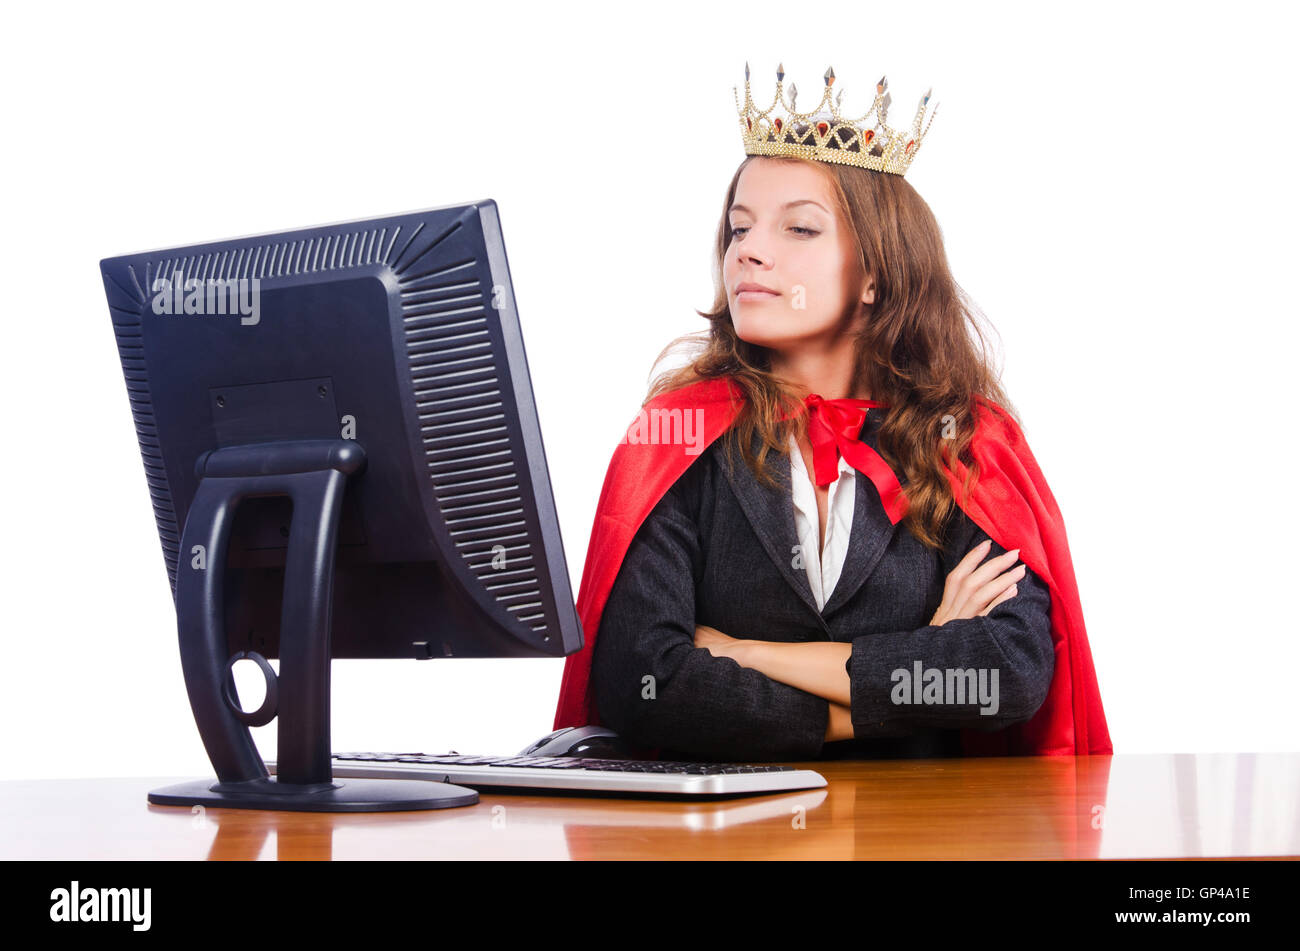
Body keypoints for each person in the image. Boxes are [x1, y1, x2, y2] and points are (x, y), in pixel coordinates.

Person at [552, 65, 1112, 762]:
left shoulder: (964, 443)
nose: (749, 251)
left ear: (876, 273)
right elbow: (647, 685)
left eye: (800, 229)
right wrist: (909, 673)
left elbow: (1009, 673)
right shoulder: (676, 438)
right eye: (739, 227)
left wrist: (747, 654)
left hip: (926, 837)